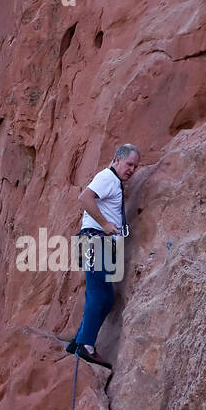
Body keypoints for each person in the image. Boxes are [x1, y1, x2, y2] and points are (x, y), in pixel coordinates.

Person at [66, 143, 140, 368]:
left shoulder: (114, 182)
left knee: (106, 298)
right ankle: (85, 346)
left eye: (135, 167)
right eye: (129, 164)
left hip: (101, 244)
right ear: (117, 159)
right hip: (95, 241)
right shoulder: (107, 177)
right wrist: (105, 223)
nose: (131, 170)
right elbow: (84, 198)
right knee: (99, 295)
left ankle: (79, 341)